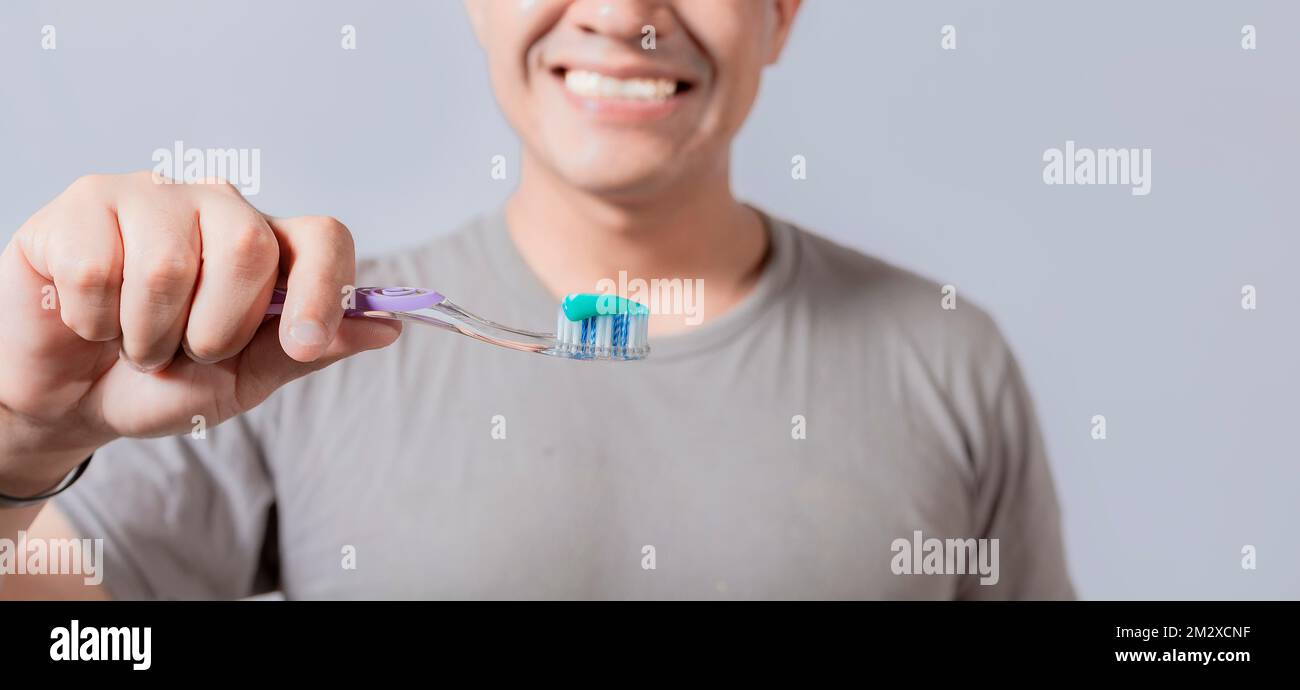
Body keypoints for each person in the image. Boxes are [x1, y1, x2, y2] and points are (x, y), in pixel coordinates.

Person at [0, 0, 1072, 599]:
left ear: (782, 14)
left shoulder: (947, 361)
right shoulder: (288, 346)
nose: (620, 14)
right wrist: (16, 450)